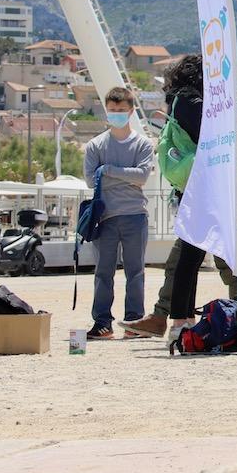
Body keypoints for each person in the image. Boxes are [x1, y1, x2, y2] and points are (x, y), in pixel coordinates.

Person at [119, 56, 237, 339]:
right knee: (194, 255)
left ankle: (179, 317)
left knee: (194, 254)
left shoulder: (185, 100)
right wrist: (231, 114)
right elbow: (213, 136)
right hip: (200, 186)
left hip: (198, 185)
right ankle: (180, 320)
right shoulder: (191, 102)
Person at [83, 87, 155, 340]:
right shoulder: (95, 145)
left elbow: (143, 177)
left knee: (135, 271)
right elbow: (92, 180)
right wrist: (127, 176)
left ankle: (134, 321)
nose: (116, 115)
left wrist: (109, 170)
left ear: (131, 111)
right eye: (112, 111)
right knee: (103, 272)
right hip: (105, 217)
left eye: (121, 111)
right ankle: (102, 322)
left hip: (135, 214)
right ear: (106, 110)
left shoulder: (143, 144)